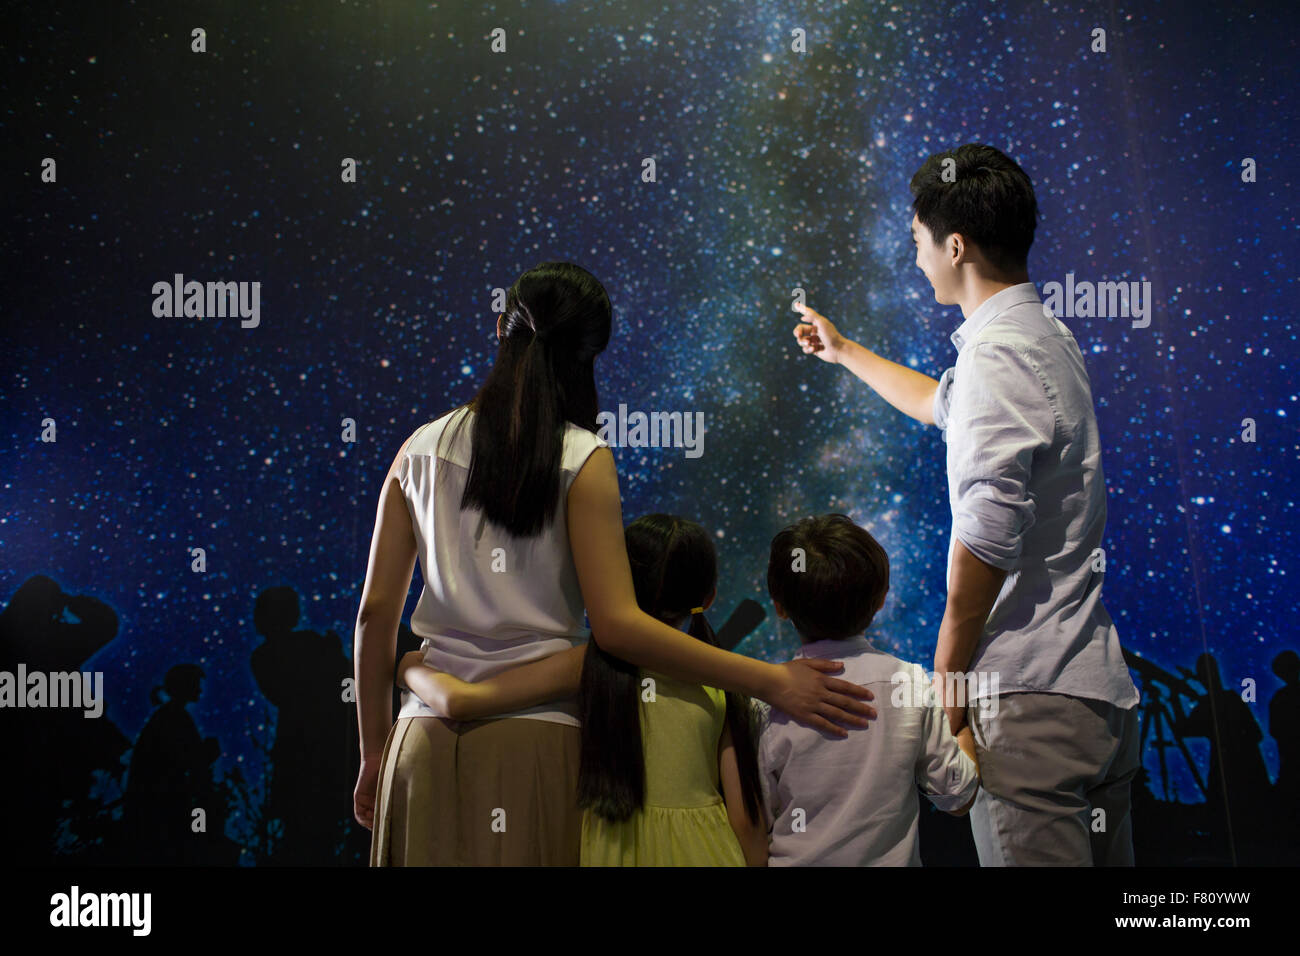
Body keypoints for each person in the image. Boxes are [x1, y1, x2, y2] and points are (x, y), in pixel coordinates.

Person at [353, 261, 876, 865]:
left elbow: (373, 618)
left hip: (418, 744)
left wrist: (372, 755)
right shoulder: (583, 457)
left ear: (502, 327)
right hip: (540, 742)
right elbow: (618, 628)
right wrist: (771, 679)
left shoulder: (418, 449)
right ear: (589, 352)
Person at [792, 144, 1141, 866]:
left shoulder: (997, 358)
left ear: (956, 245)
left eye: (918, 242)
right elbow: (939, 403)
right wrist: (845, 349)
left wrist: (948, 679)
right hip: (1086, 695)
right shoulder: (1042, 338)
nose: (916, 259)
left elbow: (985, 533)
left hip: (1026, 703)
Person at [398, 514, 768, 865]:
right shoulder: (724, 679)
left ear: (613, 584)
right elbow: (745, 821)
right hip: (708, 850)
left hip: (612, 850)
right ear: (708, 598)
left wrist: (409, 669)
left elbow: (460, 701)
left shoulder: (590, 663)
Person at [756, 514, 979, 866]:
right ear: (880, 600)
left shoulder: (765, 703)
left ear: (779, 606)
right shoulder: (909, 684)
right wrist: (965, 730)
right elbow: (958, 795)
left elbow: (758, 820)